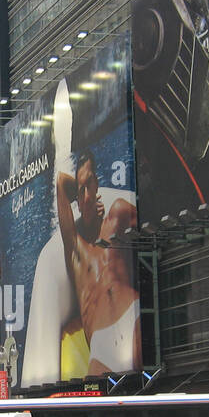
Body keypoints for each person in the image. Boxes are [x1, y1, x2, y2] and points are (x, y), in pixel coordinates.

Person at [56, 152, 140, 373]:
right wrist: (83, 192)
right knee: (93, 404)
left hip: (132, 315)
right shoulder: (76, 248)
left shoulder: (117, 216)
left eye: (90, 185)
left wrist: (88, 195)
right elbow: (60, 181)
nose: (86, 197)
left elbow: (158, 221)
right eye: (80, 190)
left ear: (97, 186)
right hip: (102, 344)